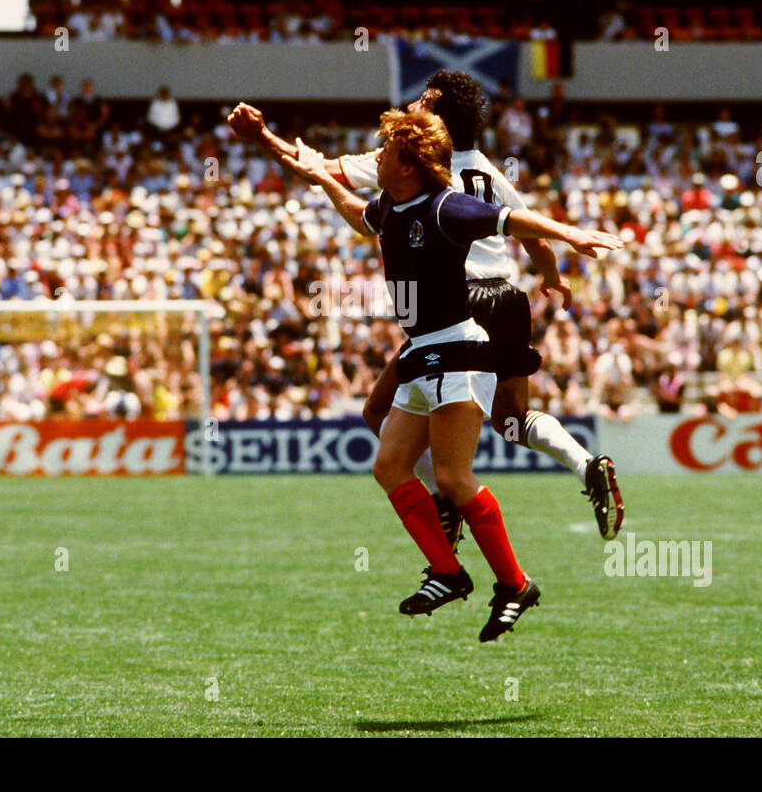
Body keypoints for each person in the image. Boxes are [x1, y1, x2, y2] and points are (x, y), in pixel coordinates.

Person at [228, 70, 627, 542]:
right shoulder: (486, 170)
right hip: (506, 297)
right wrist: (552, 277)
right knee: (512, 421)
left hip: (453, 306)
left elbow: (317, 169)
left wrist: (261, 136)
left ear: (437, 118)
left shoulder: (407, 158)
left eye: (425, 99)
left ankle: (444, 503)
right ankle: (586, 466)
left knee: (379, 411)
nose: (414, 104)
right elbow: (527, 231)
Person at [275, 108, 622, 642]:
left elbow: (512, 221)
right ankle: (448, 572)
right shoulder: (393, 204)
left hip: (460, 350)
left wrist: (570, 233)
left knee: (454, 478)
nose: (378, 155)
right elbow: (356, 215)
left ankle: (514, 583)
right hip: (422, 352)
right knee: (390, 465)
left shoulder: (445, 207)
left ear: (409, 165)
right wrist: (321, 177)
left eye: (386, 151)